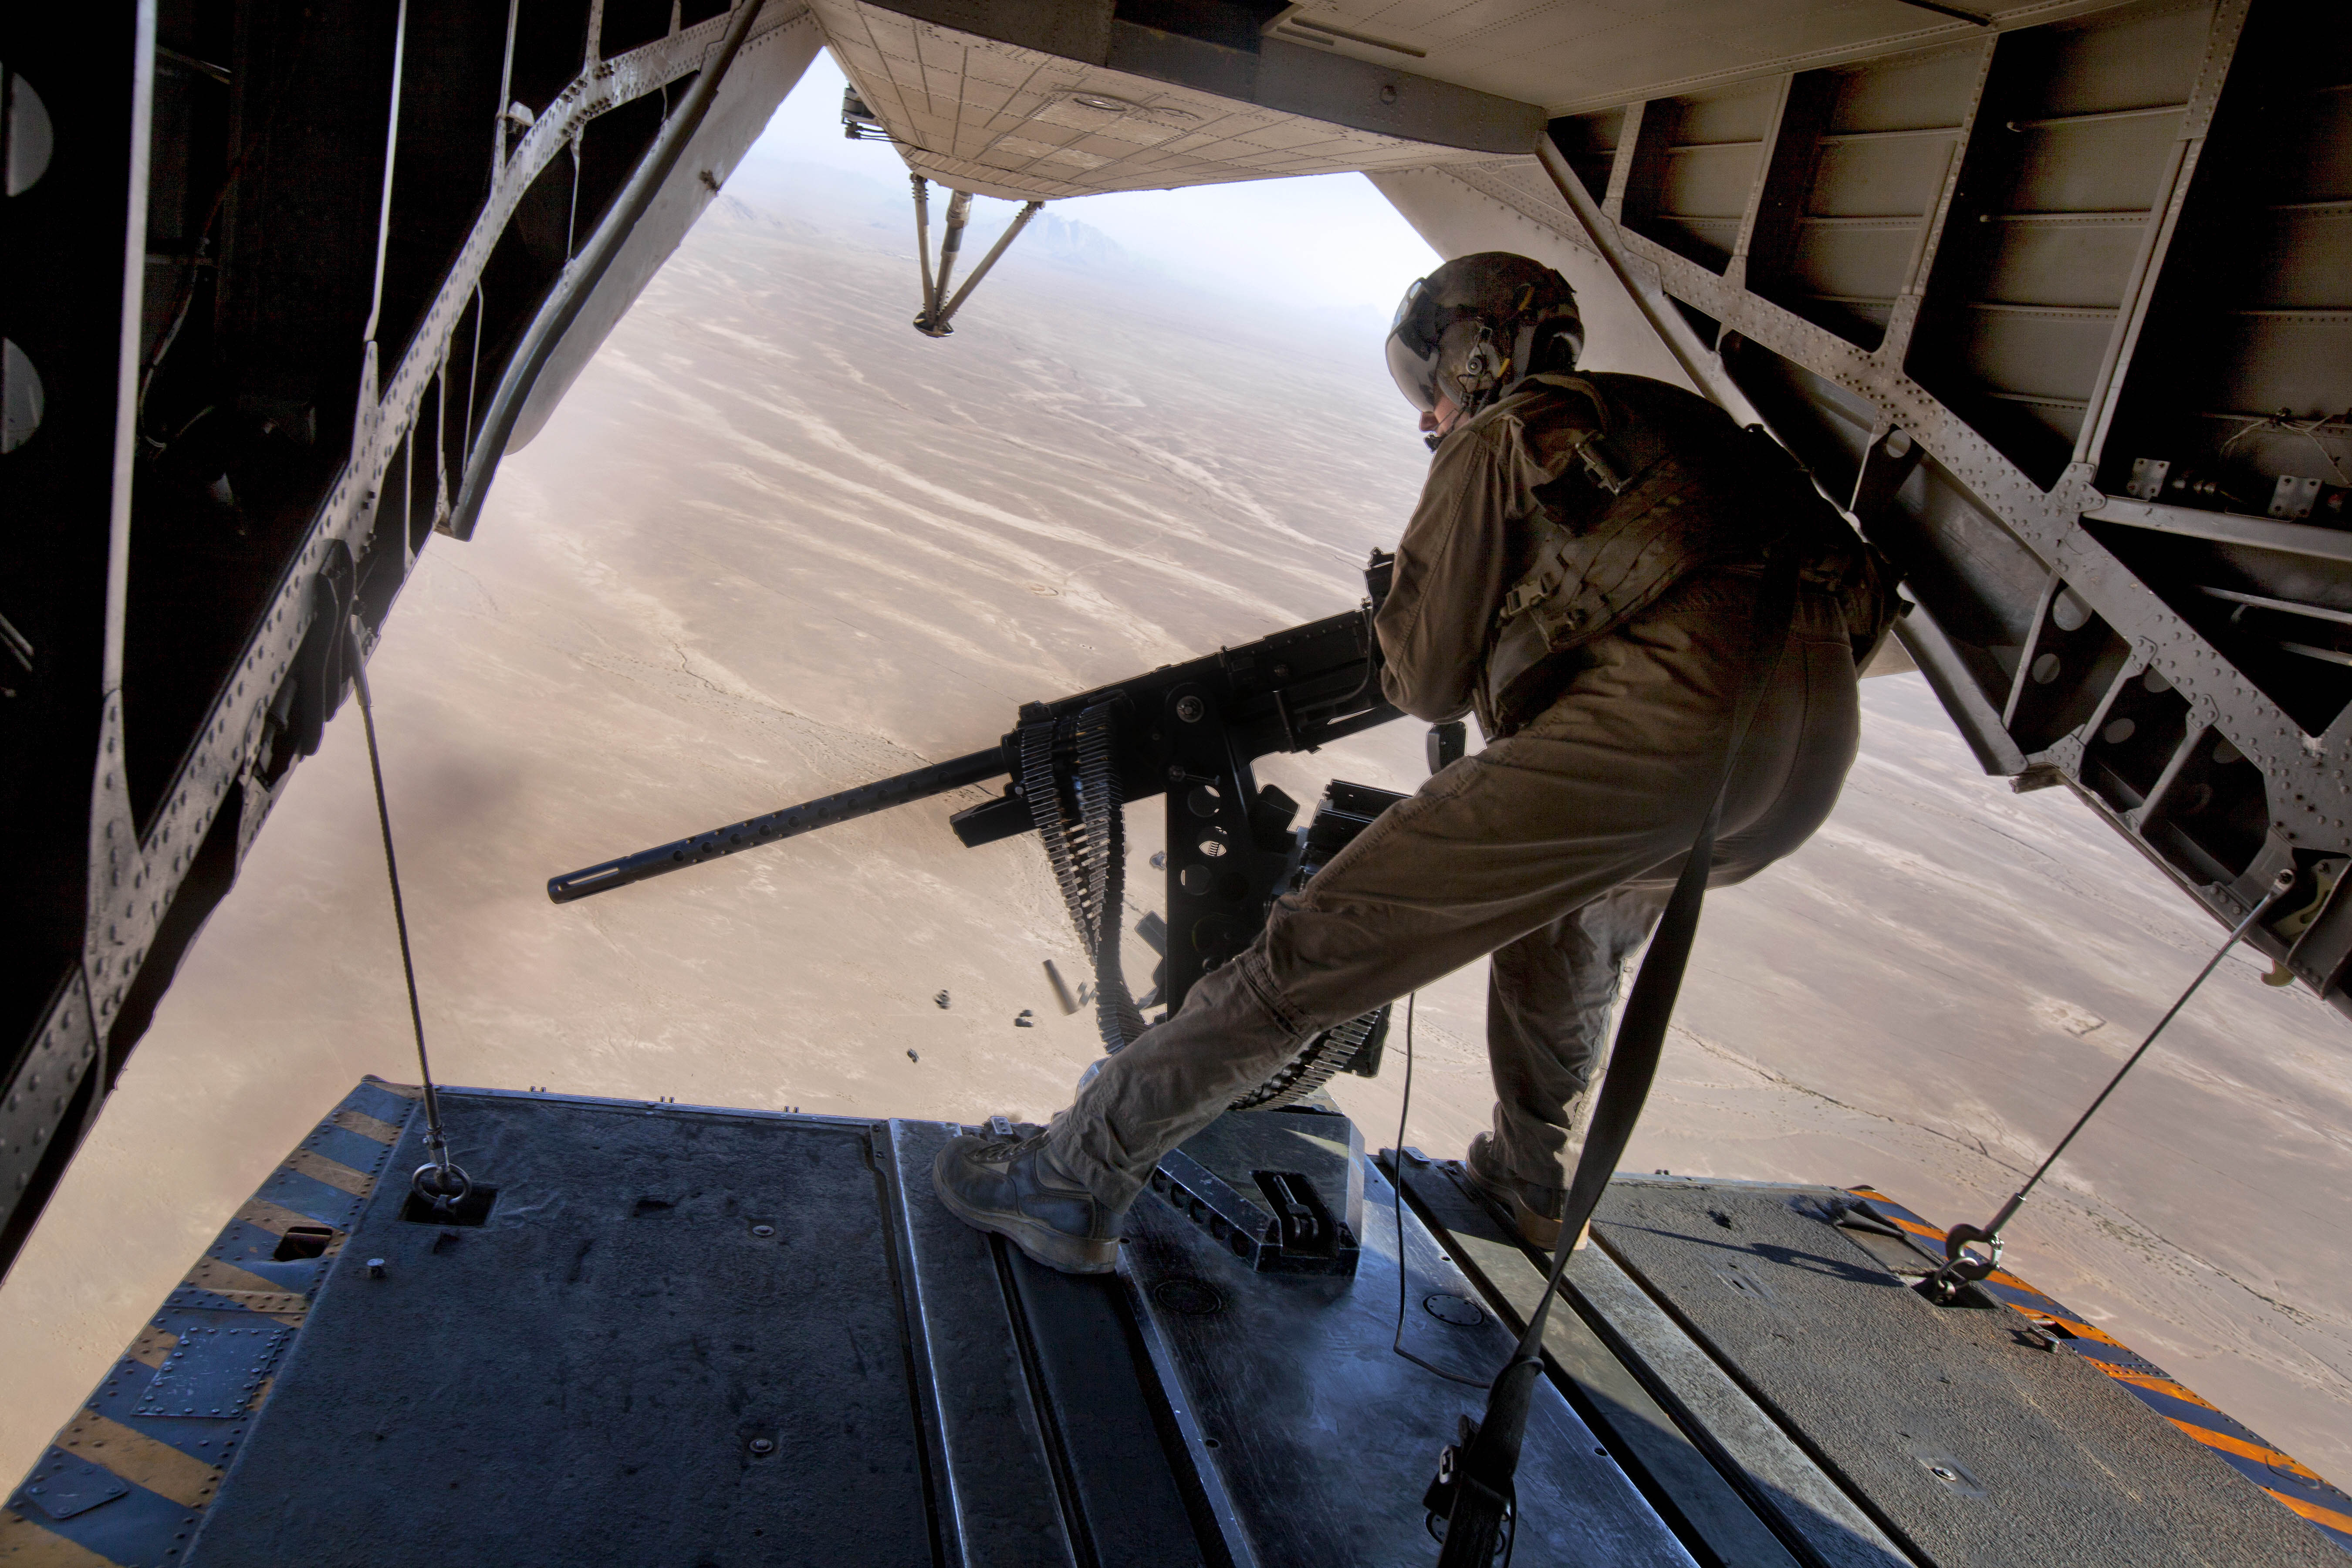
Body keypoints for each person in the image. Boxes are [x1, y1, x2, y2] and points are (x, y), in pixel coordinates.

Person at [931, 252, 1896, 1274]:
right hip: (1800, 771)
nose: (1428, 413)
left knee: (1313, 954)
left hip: (1663, 740)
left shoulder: (1505, 435)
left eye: (1428, 382)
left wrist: (1415, 604)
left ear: (1479, 353)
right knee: (1566, 933)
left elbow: (1426, 682)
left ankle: (1070, 1180)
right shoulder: (1677, 426)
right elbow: (1855, 617)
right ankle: (1528, 1182)